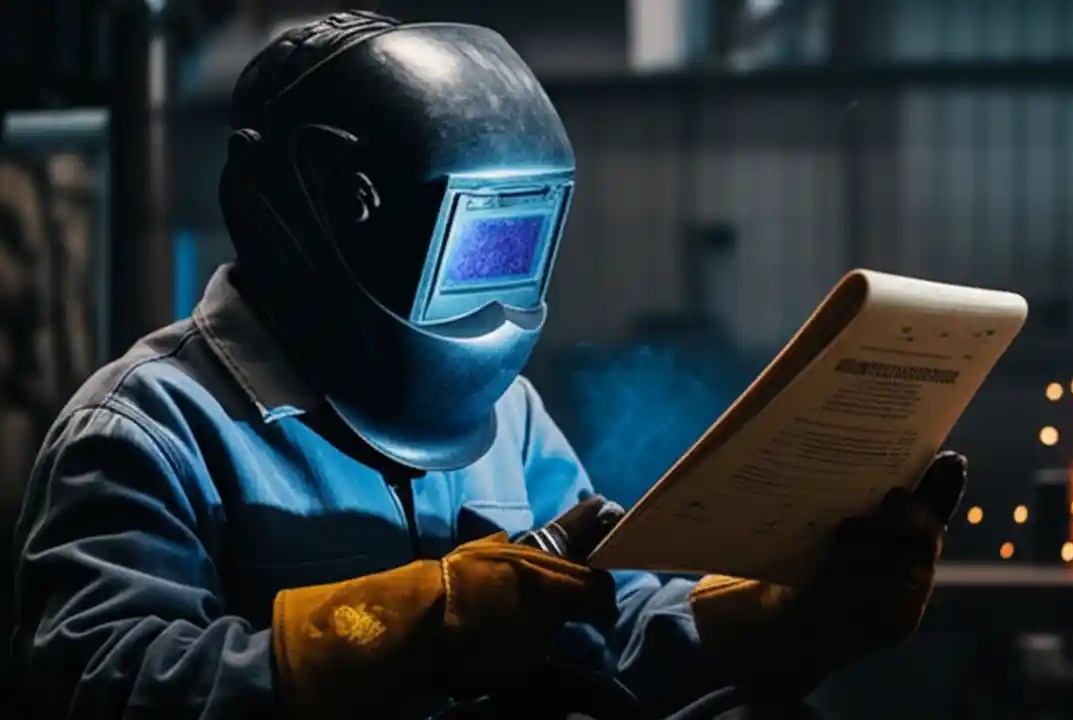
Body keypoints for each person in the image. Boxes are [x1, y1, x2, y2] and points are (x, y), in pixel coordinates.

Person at [10, 12, 967, 720]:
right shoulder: (149, 430)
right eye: (474, 250)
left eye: (521, 243)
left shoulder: (505, 418)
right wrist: (406, 628)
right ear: (333, 209)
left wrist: (786, 616)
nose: (496, 302)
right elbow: (102, 682)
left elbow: (608, 622)